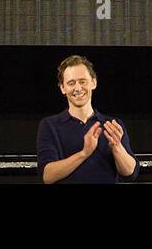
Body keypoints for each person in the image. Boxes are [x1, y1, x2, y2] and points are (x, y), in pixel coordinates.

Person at [37, 55, 139, 183]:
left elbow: (131, 173)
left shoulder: (112, 125)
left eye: (82, 81)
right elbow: (47, 176)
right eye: (71, 83)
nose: (78, 88)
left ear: (94, 83)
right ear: (63, 88)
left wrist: (117, 146)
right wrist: (84, 153)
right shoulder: (50, 125)